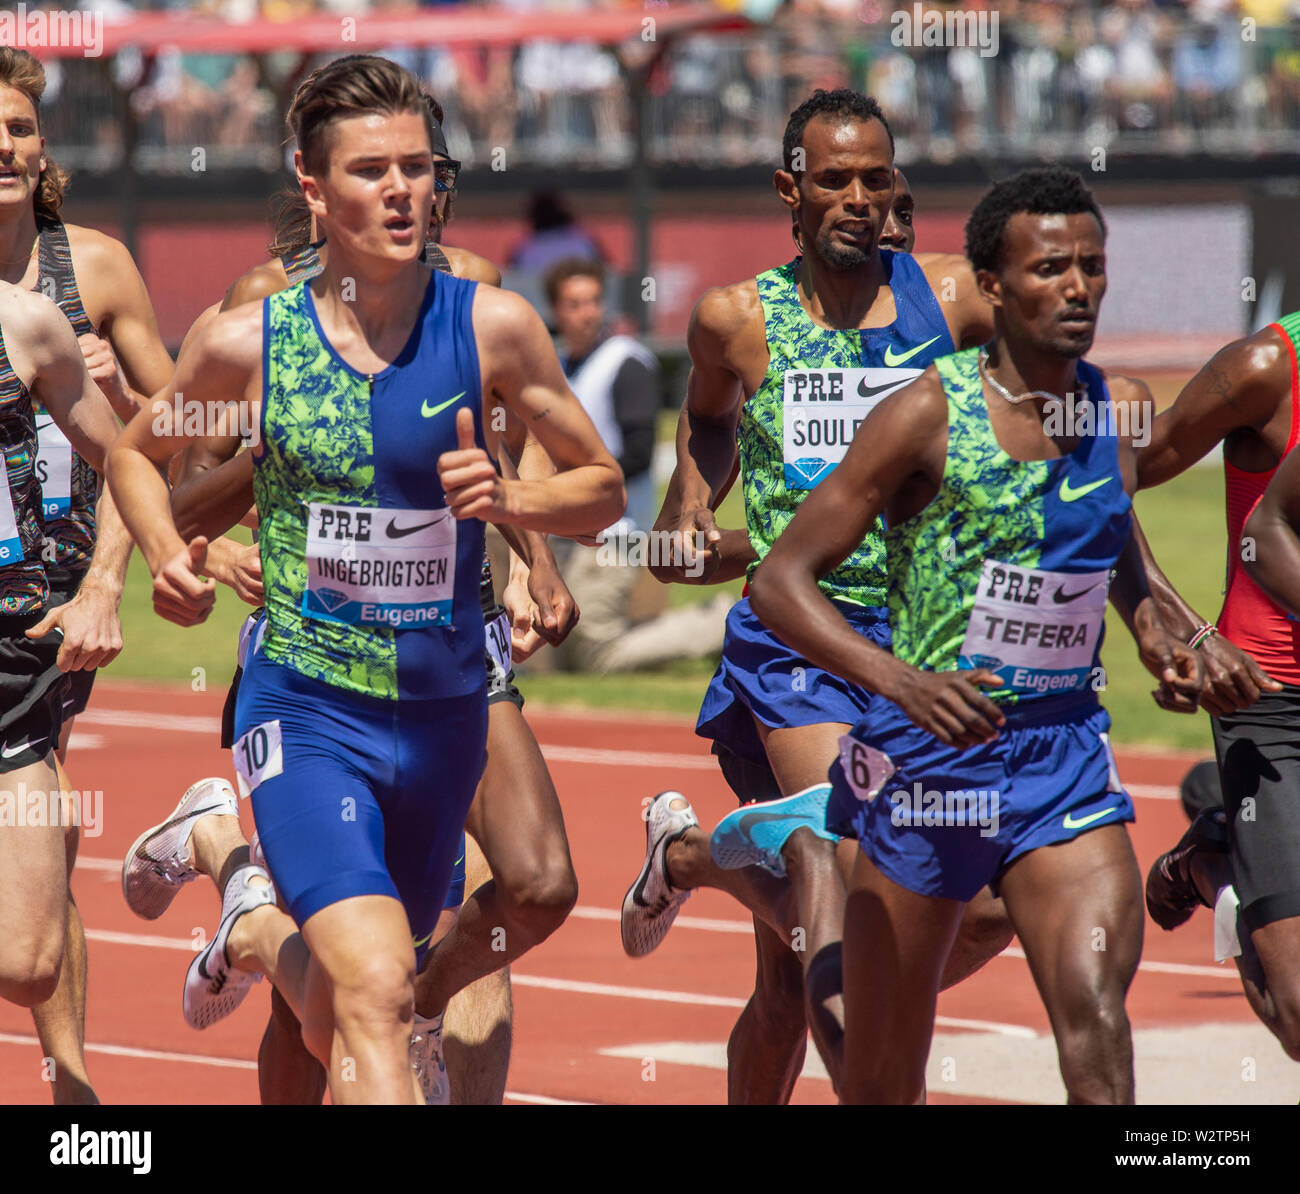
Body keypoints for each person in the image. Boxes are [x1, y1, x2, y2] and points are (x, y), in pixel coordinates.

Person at [108, 54, 624, 1105]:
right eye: (371, 171)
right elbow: (134, 452)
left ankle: (248, 918)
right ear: (312, 186)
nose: (402, 191)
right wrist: (168, 554)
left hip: (442, 715)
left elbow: (603, 485)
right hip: (306, 705)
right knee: (382, 989)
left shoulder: (493, 326)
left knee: (366, 998)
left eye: (418, 169)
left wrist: (516, 511)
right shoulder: (250, 340)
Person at [750, 165, 1201, 1103]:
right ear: (991, 287)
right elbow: (778, 582)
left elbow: (1112, 543)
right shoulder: (925, 413)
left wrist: (1165, 631)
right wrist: (901, 683)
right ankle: (760, 872)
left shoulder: (1114, 411)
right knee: (878, 1075)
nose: (1076, 288)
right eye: (1049, 269)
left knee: (1096, 1017)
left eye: (1091, 266)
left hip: (1062, 753)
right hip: (929, 762)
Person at [621, 89, 1006, 1102]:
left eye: (875, 179)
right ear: (789, 191)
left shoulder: (957, 301)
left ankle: (692, 855)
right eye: (832, 179)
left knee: (809, 975)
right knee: (835, 859)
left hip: (924, 635)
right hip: (797, 637)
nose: (856, 198)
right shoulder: (736, 319)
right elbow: (707, 422)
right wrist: (691, 501)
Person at [0, 46, 176, 1106]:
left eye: (20, 128)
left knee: (40, 871)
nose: (6, 148)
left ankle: (71, 1092)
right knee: (43, 851)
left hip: (45, 602)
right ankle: (77, 1099)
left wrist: (137, 565)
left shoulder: (88, 272)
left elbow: (175, 426)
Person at [1135, 309, 1300, 1061]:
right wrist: (1179, 629)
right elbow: (1106, 478)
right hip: (1269, 695)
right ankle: (1217, 863)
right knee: (1297, 1017)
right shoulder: (1264, 367)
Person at [0, 281, 126, 1096]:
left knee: (29, 960)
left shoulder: (25, 321)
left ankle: (210, 846)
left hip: (10, 661)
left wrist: (104, 585)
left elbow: (129, 457)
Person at [543, 256, 729, 673]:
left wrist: (569, 486)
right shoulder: (553, 363)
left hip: (620, 533)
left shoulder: (625, 362)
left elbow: (640, 453)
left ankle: (718, 622)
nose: (587, 313)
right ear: (555, 310)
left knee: (595, 657)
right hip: (568, 533)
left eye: (593, 301)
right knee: (554, 654)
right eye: (574, 304)